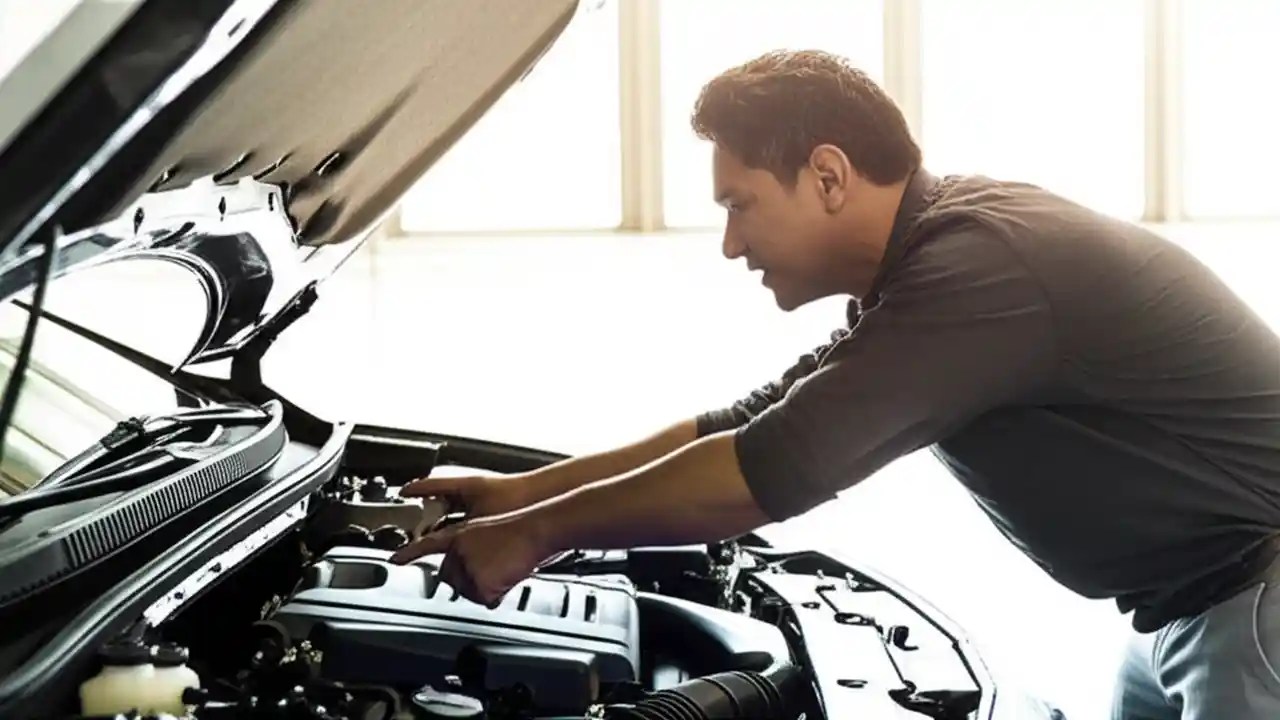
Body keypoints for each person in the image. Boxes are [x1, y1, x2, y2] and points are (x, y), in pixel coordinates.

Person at [390, 50, 1280, 719]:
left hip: (1256, 603)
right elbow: (748, 421)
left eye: (738, 204)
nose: (731, 244)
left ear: (826, 175)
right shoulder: (933, 255)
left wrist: (537, 535)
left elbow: (772, 469)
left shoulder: (978, 269)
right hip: (1187, 606)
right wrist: (527, 491)